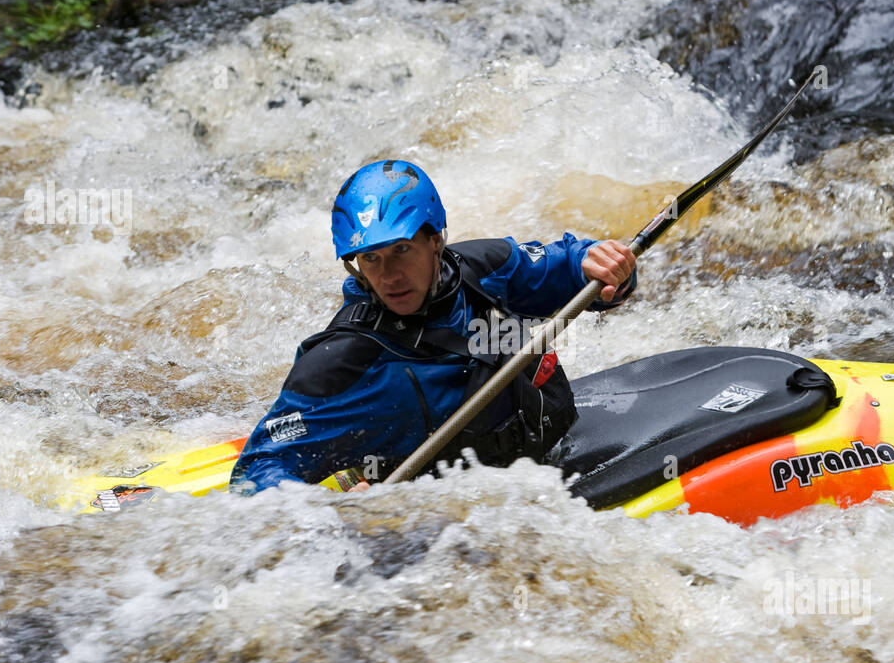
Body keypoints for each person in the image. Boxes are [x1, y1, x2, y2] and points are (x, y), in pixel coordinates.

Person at [230, 159, 637, 494]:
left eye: (401, 250)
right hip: (445, 519)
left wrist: (605, 265)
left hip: (547, 457)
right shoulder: (342, 365)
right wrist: (327, 510)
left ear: (435, 240)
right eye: (370, 259)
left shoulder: (485, 269)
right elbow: (254, 475)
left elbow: (571, 267)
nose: (388, 276)